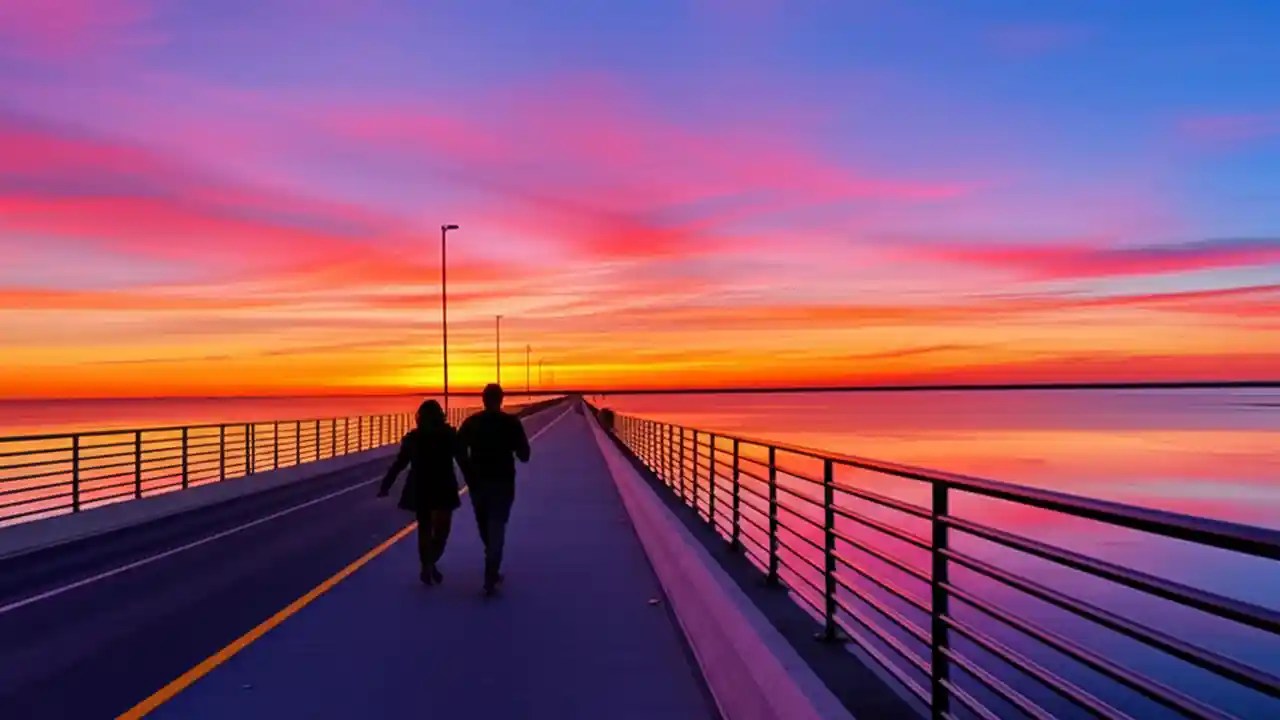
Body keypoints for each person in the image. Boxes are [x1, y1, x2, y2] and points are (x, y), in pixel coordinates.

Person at [378, 399, 466, 586]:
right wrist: (474, 481)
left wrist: (386, 485)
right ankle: (430, 563)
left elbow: (399, 464)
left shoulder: (413, 439)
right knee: (441, 533)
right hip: (443, 487)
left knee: (424, 529)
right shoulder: (448, 435)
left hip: (420, 487)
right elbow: (463, 460)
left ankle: (427, 565)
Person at [458, 383, 531, 596]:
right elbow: (525, 456)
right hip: (502, 482)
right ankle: (491, 570)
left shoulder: (472, 422)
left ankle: (492, 565)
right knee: (496, 525)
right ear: (501, 400)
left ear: (483, 399)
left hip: (478, 484)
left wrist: (468, 473)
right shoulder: (511, 423)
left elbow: (459, 450)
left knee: (485, 525)